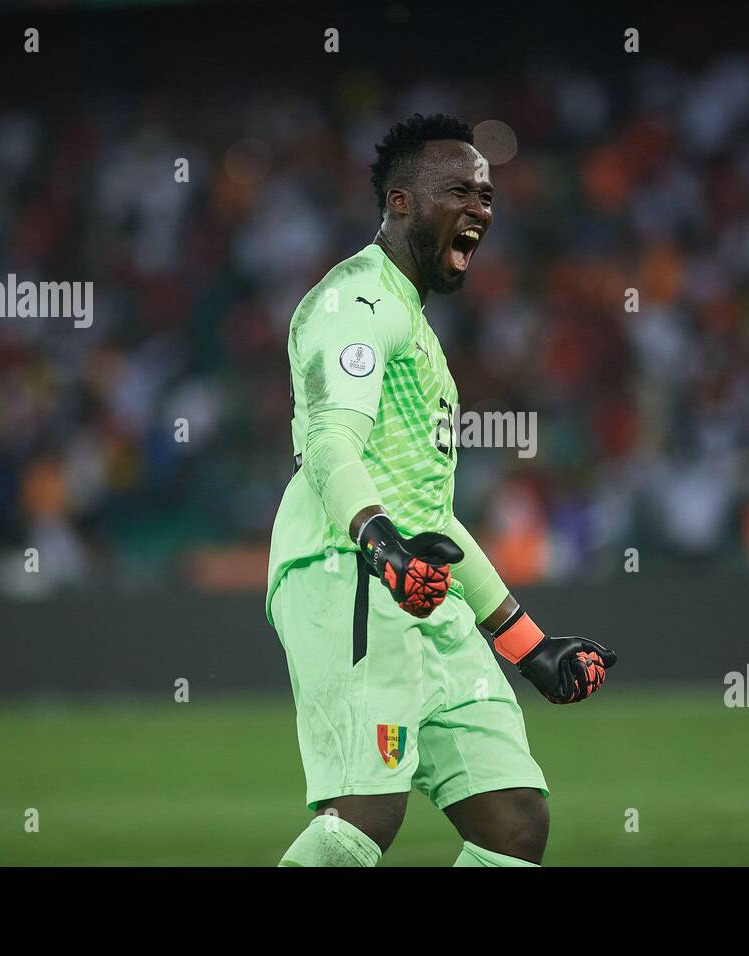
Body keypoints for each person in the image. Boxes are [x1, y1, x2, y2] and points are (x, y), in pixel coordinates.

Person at [266, 113, 616, 867]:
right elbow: (329, 443)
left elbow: (433, 515)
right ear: (400, 202)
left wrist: (526, 644)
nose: (481, 209)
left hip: (419, 582)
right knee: (364, 815)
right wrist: (378, 543)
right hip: (347, 566)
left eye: (487, 195)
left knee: (514, 821)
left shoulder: (416, 325)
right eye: (459, 190)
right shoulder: (358, 302)